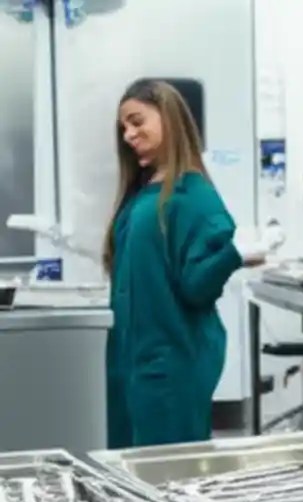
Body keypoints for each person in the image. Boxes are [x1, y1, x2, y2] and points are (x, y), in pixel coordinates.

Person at [105, 79, 260, 449]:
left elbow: (196, 287)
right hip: (134, 362)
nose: (129, 134)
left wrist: (233, 254)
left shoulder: (193, 196)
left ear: (169, 117)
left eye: (137, 121)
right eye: (124, 127)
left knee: (165, 479)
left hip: (169, 366)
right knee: (132, 472)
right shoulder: (145, 194)